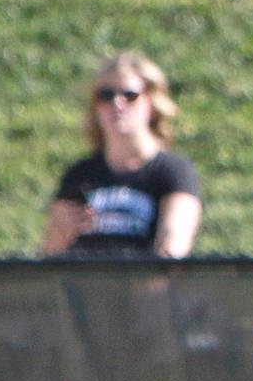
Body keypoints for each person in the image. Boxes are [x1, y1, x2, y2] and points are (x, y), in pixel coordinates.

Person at [41, 51, 202, 258]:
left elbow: (172, 250)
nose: (117, 103)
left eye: (130, 95)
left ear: (151, 103)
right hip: (86, 288)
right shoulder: (80, 175)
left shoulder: (172, 171)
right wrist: (59, 230)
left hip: (144, 288)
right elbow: (48, 260)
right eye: (106, 96)